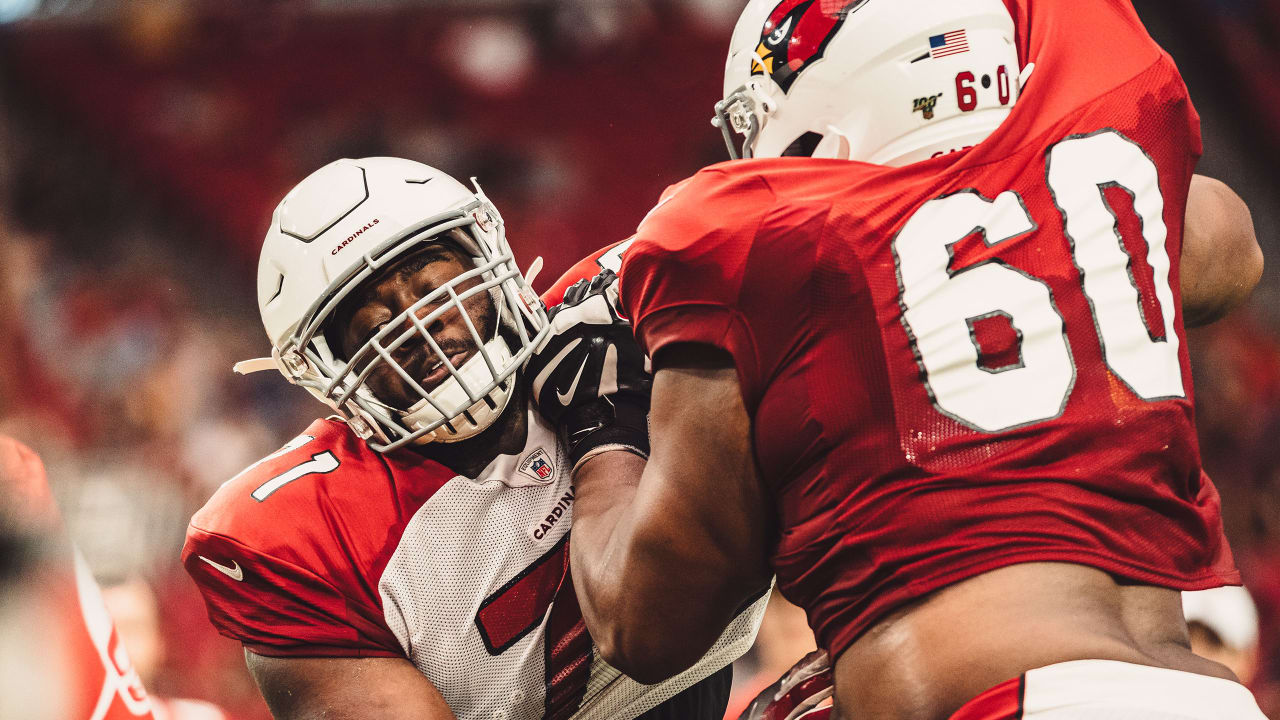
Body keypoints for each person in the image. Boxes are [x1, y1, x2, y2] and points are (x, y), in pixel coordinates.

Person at [525, 0, 1268, 718]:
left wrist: (604, 426)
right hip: (1204, 698)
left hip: (1003, 698)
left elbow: (648, 624)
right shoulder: (1114, 180)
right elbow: (1232, 254)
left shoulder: (760, 247)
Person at [180, 157, 765, 720]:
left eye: (432, 280)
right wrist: (604, 431)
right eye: (371, 320)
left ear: (490, 258)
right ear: (327, 366)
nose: (416, 322)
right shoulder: (300, 534)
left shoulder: (636, 305)